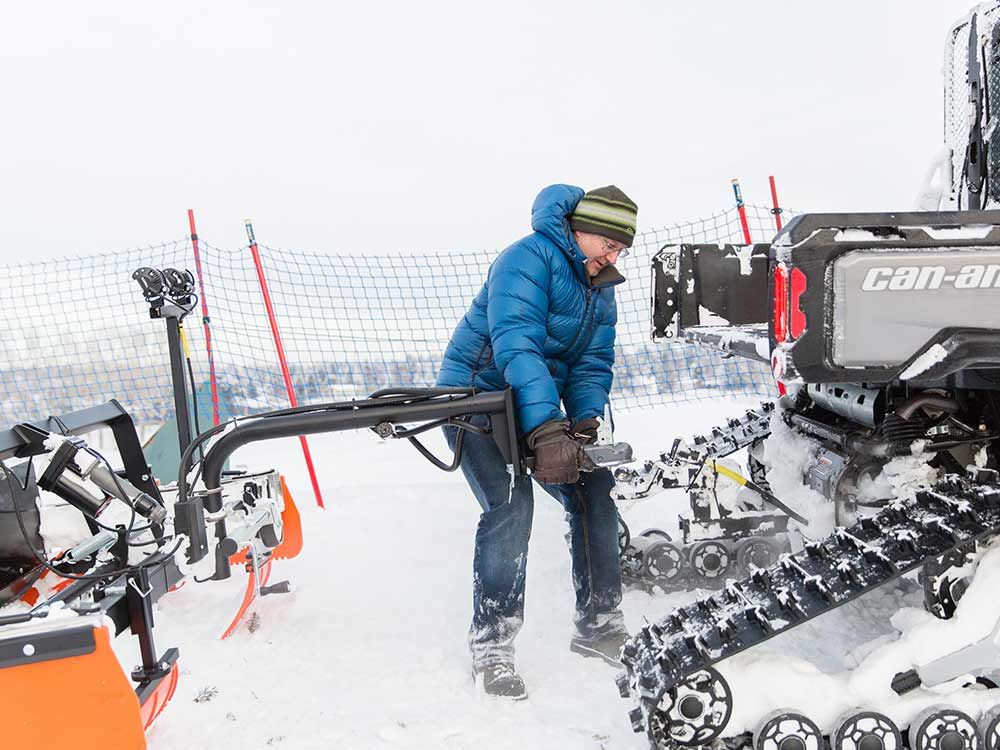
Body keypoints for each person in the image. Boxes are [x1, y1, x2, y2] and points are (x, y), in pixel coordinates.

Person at [437, 184, 638, 699]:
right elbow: (517, 344)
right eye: (608, 244)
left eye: (621, 250)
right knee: (510, 503)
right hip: (477, 398)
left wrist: (585, 425)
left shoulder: (600, 285)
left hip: (535, 403)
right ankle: (492, 644)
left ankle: (600, 627)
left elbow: (593, 362)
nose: (613, 257)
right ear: (579, 229)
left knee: (593, 488)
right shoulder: (526, 259)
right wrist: (548, 429)